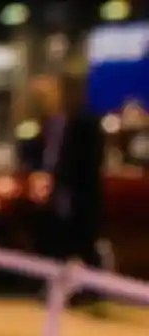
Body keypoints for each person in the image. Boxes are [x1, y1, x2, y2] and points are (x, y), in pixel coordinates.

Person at [21, 74, 106, 307]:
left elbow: (89, 163)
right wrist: (36, 174)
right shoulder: (43, 121)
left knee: (83, 244)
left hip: (76, 194)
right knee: (52, 242)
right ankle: (53, 288)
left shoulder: (85, 122)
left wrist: (56, 178)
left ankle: (91, 291)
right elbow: (33, 151)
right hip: (50, 195)